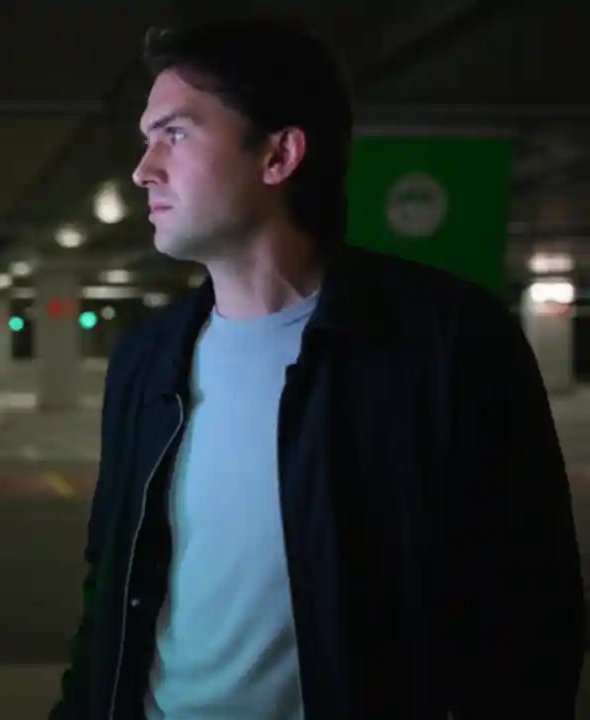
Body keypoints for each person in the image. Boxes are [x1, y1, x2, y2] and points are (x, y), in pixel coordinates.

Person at [50, 17, 585, 720]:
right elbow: (110, 588)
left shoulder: (447, 342)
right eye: (147, 139)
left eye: (174, 134)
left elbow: (532, 612)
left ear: (279, 155)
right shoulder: (147, 358)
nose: (144, 168)